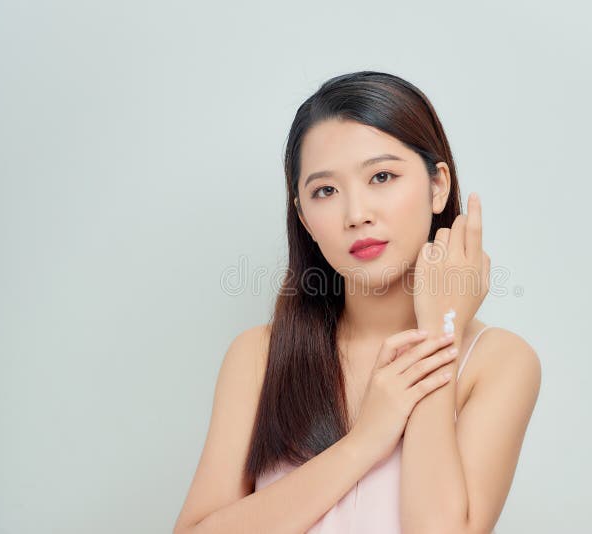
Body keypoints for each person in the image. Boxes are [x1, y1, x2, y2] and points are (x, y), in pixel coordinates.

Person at [173, 71, 541, 534]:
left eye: (382, 176)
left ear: (437, 186)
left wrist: (438, 333)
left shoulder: (499, 362)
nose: (356, 214)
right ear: (304, 217)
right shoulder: (259, 356)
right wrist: (365, 441)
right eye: (326, 191)